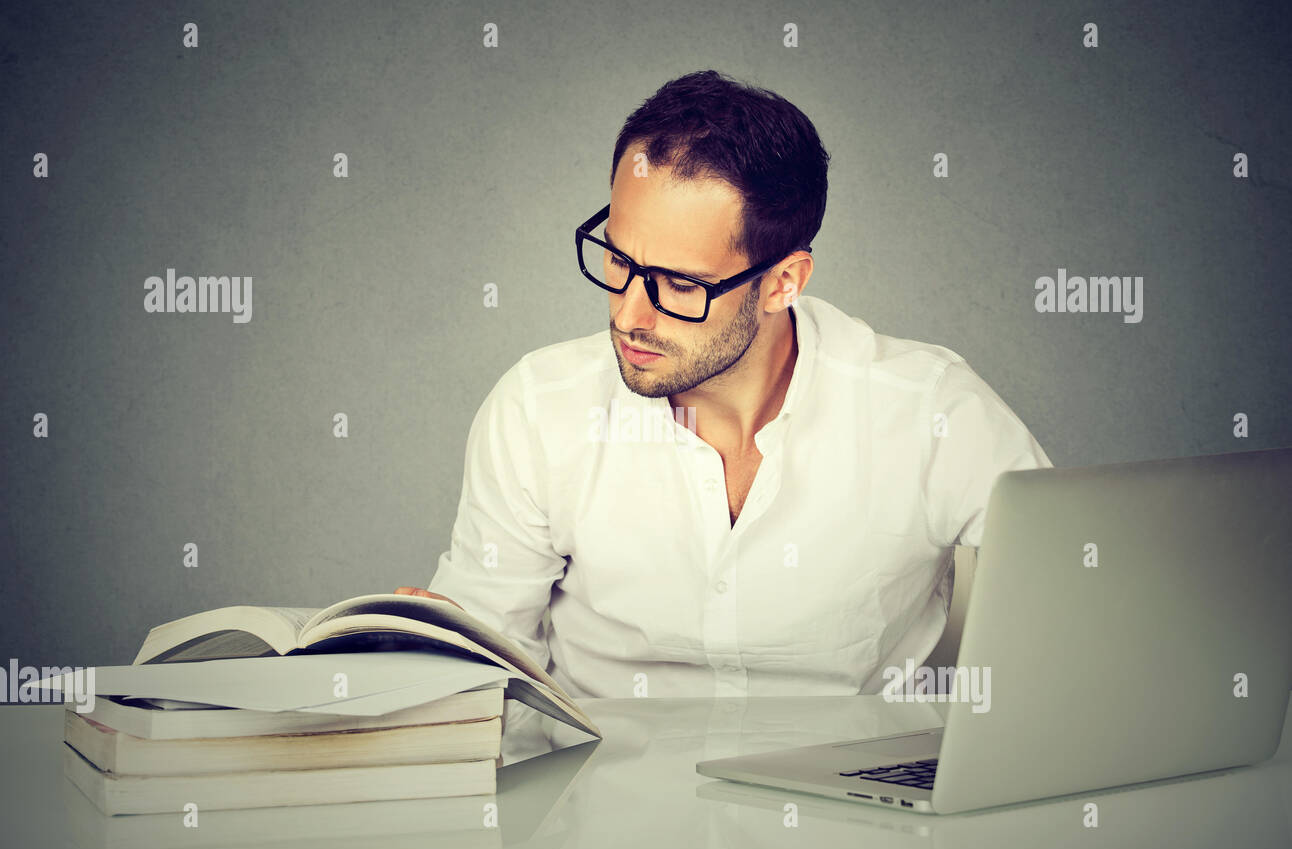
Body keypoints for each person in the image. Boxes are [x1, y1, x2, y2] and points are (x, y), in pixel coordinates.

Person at [397, 70, 1050, 699]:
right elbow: (483, 668)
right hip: (600, 797)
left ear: (783, 282)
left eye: (681, 285)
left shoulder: (932, 413)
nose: (628, 314)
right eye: (619, 260)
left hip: (855, 804)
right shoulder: (537, 411)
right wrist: (435, 657)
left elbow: (1072, 622)